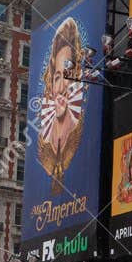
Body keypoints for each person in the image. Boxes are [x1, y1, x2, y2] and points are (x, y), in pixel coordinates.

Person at [36, 17, 86, 190]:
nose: (62, 85)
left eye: (68, 75)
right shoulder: (44, 143)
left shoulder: (81, 135)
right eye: (57, 77)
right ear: (50, 85)